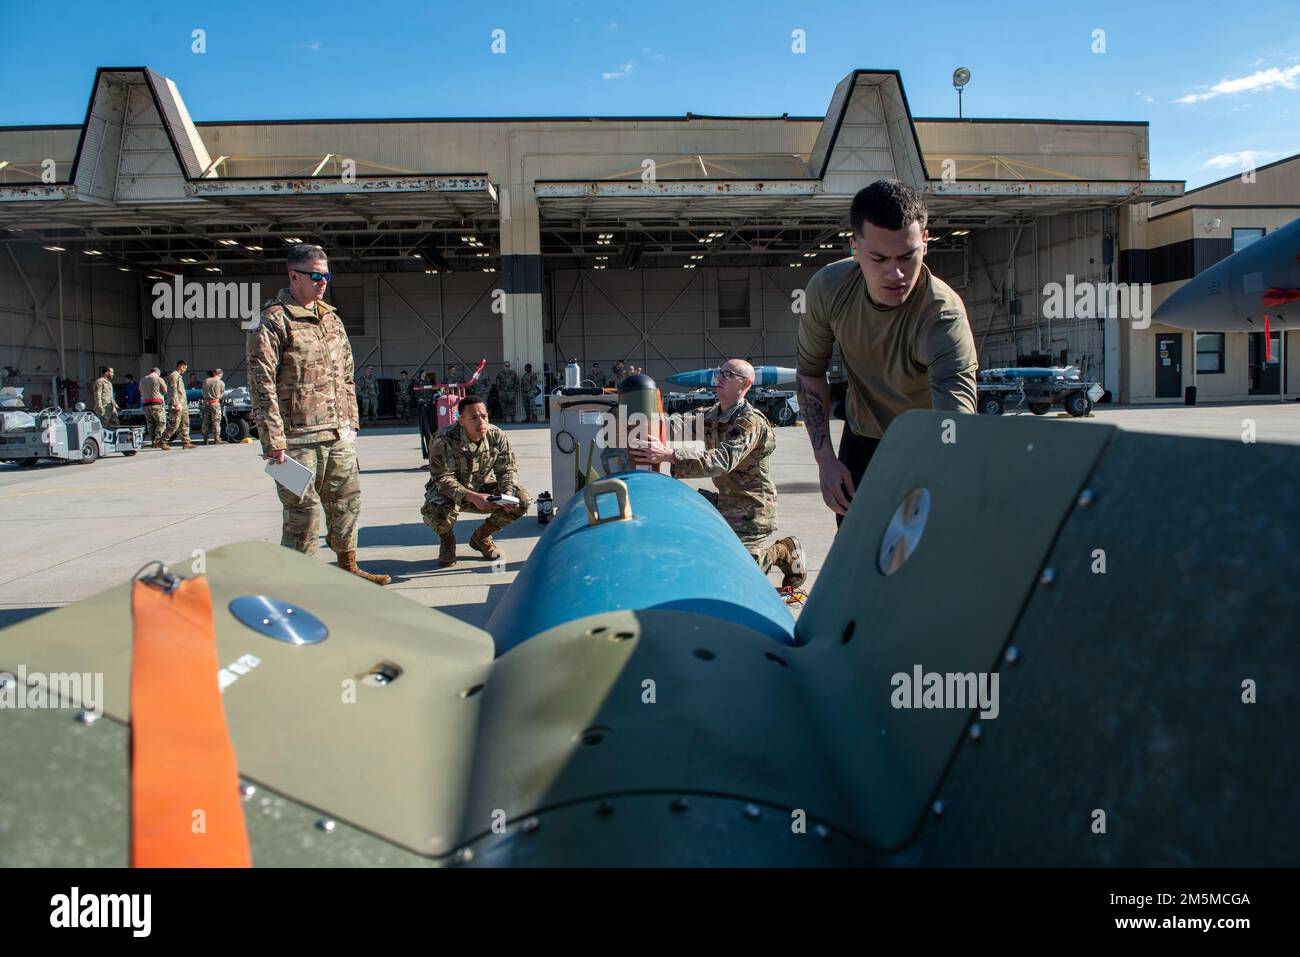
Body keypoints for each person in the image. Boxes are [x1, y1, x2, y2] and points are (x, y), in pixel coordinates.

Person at [796, 179, 978, 526]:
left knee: (921, 558)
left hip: (928, 445)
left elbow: (955, 427)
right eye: (878, 257)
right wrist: (825, 461)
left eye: (907, 256)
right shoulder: (829, 290)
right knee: (857, 551)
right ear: (855, 248)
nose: (895, 274)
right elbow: (809, 372)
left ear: (925, 242)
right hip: (862, 441)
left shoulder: (943, 318)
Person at [246, 242, 390, 586]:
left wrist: (352, 420)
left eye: (326, 274)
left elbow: (347, 373)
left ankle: (347, 566)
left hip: (337, 435)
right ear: (294, 276)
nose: (323, 281)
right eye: (315, 275)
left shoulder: (331, 318)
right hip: (294, 441)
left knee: (347, 502)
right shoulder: (272, 320)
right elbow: (260, 382)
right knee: (302, 511)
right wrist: (273, 440)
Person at [630, 358, 804, 588]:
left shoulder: (749, 422)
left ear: (746, 385)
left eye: (729, 374)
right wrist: (637, 418)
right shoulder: (713, 415)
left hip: (752, 510)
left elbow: (721, 462)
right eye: (721, 372)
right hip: (724, 504)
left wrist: (669, 455)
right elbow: (677, 424)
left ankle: (783, 550)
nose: (720, 377)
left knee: (744, 571)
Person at [421, 394, 531, 568]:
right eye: (474, 417)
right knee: (437, 509)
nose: (481, 421)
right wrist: (472, 497)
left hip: (484, 490)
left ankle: (481, 537)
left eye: (484, 416)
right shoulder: (443, 439)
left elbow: (507, 469)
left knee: (521, 500)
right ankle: (447, 541)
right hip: (451, 493)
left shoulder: (496, 435)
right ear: (461, 420)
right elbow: (441, 478)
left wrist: (507, 493)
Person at [160, 359, 196, 449]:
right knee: (174, 424)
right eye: (184, 368)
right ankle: (162, 441)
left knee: (185, 423)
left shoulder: (179, 376)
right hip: (177, 404)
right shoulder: (174, 376)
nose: (185, 370)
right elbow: (173, 391)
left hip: (183, 404)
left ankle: (186, 442)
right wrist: (176, 403)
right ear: (180, 366)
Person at [139, 366, 168, 448]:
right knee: (160, 423)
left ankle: (152, 440)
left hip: (146, 405)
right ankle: (158, 440)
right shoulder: (159, 379)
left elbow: (140, 391)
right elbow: (165, 391)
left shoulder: (142, 380)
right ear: (158, 373)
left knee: (150, 424)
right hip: (157, 405)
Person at [201, 369, 225, 445]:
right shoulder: (221, 383)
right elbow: (221, 395)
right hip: (215, 403)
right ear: (220, 374)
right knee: (216, 421)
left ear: (214, 373)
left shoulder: (206, 381)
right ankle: (217, 439)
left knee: (205, 421)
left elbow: (202, 391)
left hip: (205, 403)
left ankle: (205, 439)